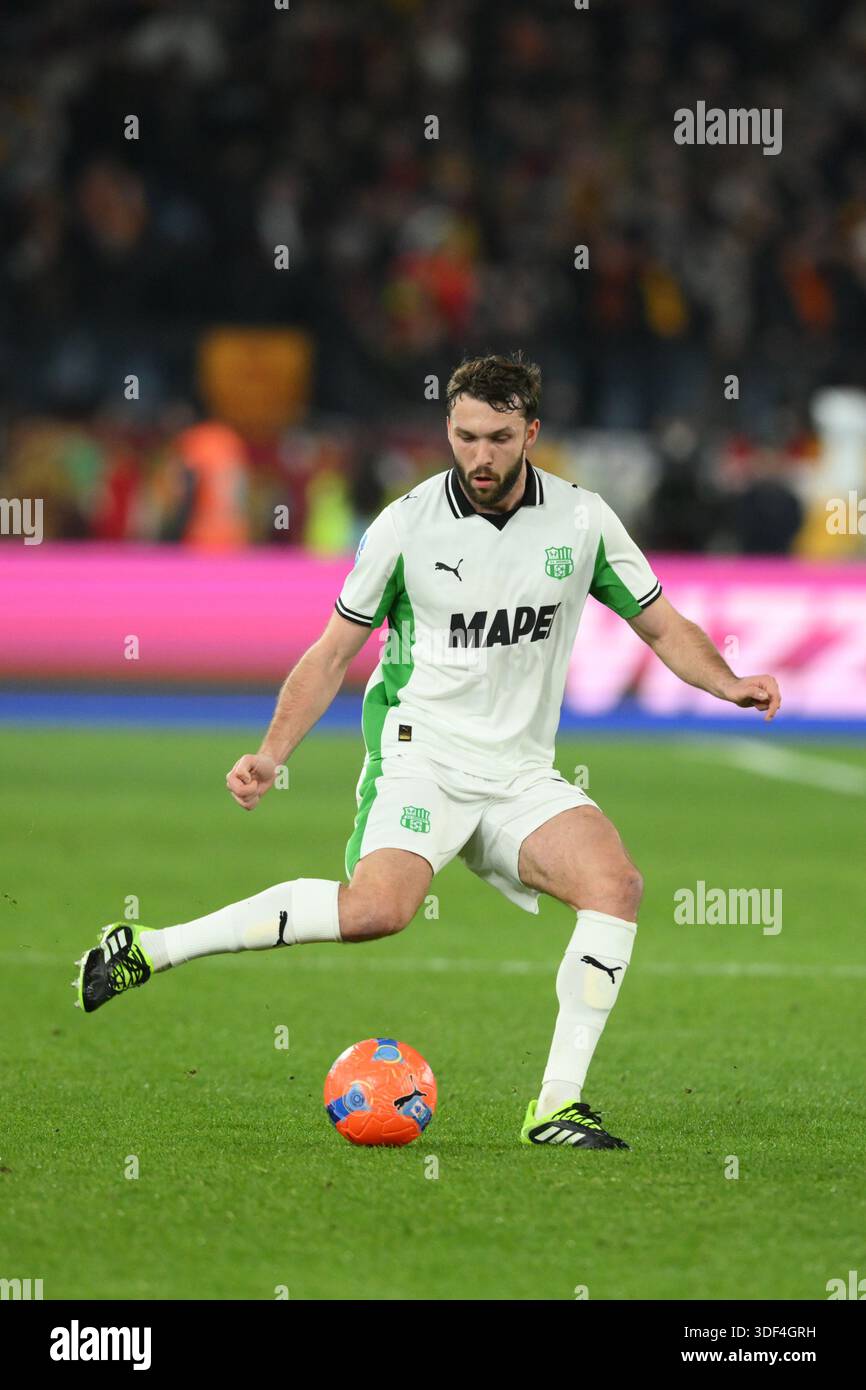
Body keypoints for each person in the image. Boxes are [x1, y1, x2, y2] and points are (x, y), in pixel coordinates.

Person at [75, 353, 781, 1149]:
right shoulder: (407, 525)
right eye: (466, 435)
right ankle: (149, 948)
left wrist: (726, 682)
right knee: (378, 910)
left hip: (519, 772)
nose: (480, 456)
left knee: (615, 886)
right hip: (424, 756)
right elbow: (333, 651)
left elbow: (659, 622)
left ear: (531, 435)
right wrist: (272, 754)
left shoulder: (582, 521)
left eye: (500, 438)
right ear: (448, 427)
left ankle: (555, 1107)